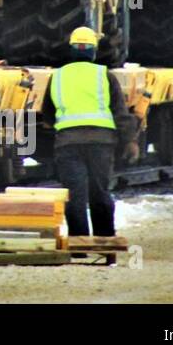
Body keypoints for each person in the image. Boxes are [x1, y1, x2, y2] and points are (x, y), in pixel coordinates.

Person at [41, 27, 139, 237]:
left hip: (68, 144)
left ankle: (79, 243)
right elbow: (120, 113)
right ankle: (104, 239)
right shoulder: (104, 75)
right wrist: (130, 141)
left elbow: (47, 115)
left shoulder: (58, 77)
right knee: (100, 192)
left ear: (72, 50)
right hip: (101, 144)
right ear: (93, 51)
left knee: (74, 196)